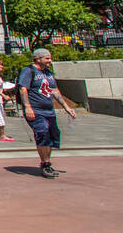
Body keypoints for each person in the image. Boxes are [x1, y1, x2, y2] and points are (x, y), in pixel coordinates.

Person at [18, 47, 78, 178]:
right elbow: (23, 89)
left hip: (49, 111)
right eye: (47, 58)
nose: (50, 61)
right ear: (38, 59)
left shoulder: (48, 73)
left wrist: (67, 107)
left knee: (52, 136)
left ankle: (46, 162)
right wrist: (28, 107)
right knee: (42, 133)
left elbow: (55, 90)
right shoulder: (28, 71)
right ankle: (46, 164)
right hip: (36, 110)